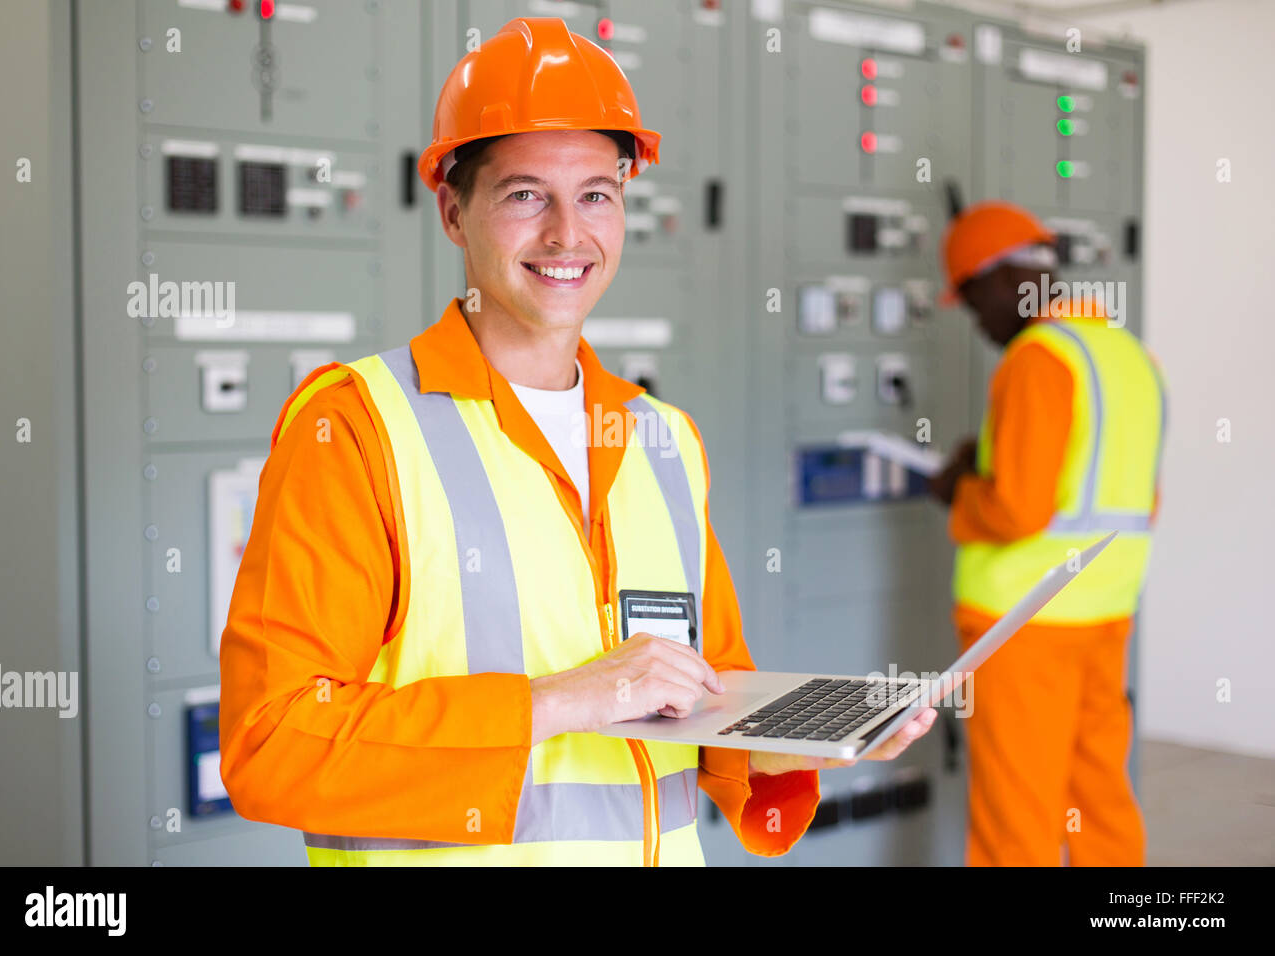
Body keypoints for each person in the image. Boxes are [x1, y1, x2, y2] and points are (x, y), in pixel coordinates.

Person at [218, 16, 936, 866]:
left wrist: (824, 735)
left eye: (596, 193)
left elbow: (709, 712)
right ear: (453, 211)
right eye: (526, 195)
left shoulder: (663, 440)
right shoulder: (357, 428)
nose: (567, 234)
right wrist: (558, 701)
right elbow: (272, 745)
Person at [928, 200, 1167, 866]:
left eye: (975, 304)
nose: (981, 325)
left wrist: (955, 491)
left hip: (1022, 624)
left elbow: (1015, 513)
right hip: (1106, 614)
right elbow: (1129, 490)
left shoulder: (1039, 358)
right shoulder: (1128, 355)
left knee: (1018, 814)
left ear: (1003, 281)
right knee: (1099, 797)